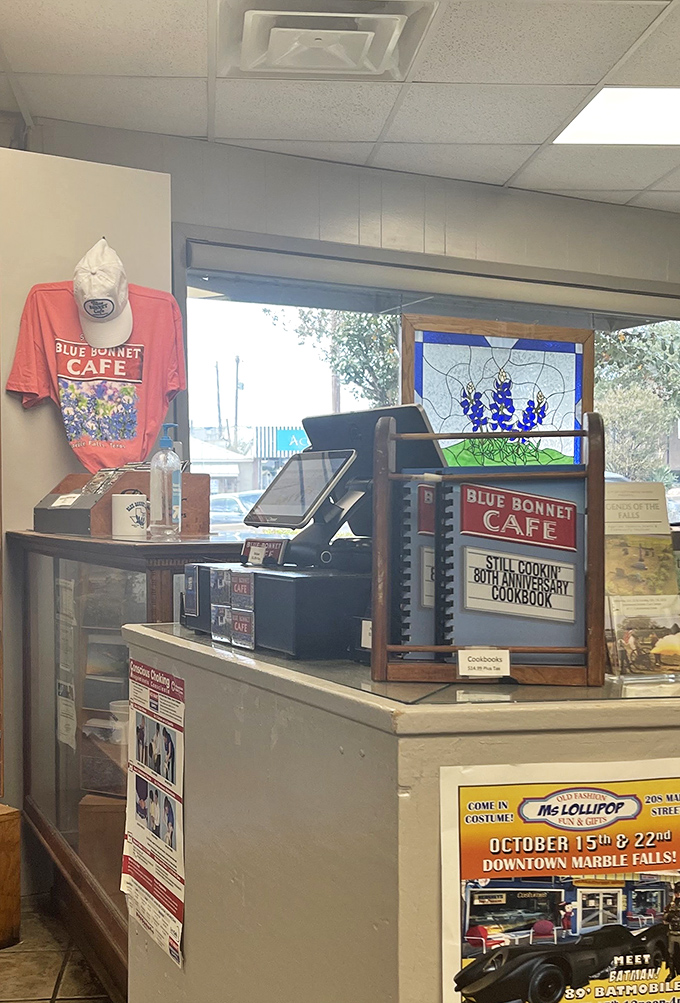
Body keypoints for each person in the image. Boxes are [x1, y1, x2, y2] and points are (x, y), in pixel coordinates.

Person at [663, 883, 680, 977]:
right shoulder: (671, 905)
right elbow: (665, 920)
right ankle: (672, 973)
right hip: (672, 932)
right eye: (677, 892)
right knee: (670, 954)